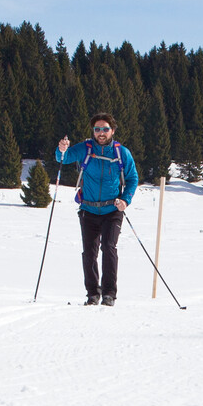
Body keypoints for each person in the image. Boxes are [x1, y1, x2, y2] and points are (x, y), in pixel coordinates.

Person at [55, 113, 139, 305]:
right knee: (89, 252)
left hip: (112, 210)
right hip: (88, 210)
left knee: (109, 247)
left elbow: (133, 178)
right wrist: (61, 149)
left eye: (105, 129)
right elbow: (64, 157)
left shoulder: (121, 153)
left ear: (113, 130)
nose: (101, 133)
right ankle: (93, 294)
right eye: (97, 129)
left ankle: (109, 293)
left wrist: (125, 200)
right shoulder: (85, 148)